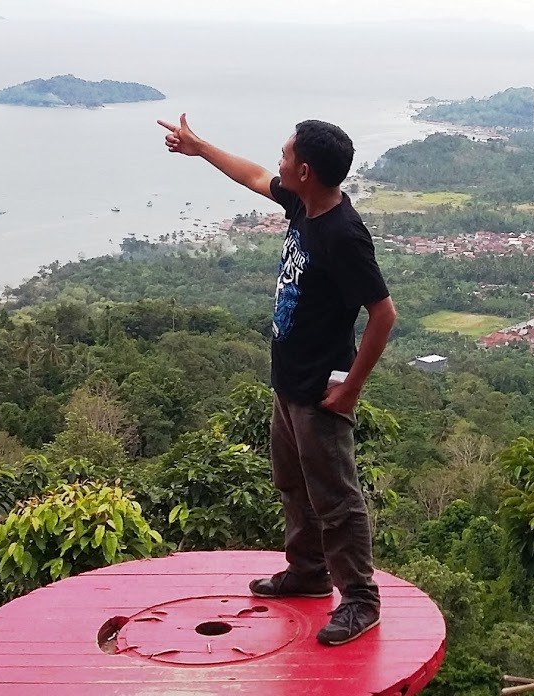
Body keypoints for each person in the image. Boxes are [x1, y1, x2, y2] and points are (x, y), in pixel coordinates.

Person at [159, 113, 396, 647]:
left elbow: (383, 314)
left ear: (307, 170)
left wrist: (351, 388)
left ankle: (360, 599)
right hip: (289, 383)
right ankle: (309, 574)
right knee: (293, 485)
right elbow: (250, 175)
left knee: (336, 498)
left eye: (288, 155)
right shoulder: (303, 203)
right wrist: (200, 148)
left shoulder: (342, 233)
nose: (280, 161)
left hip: (320, 392)